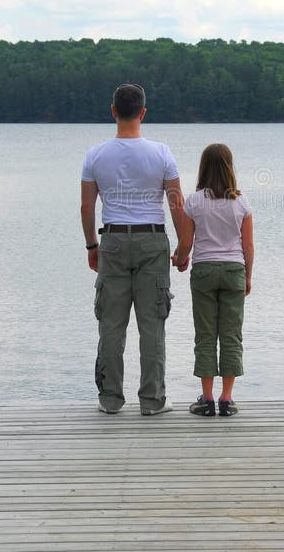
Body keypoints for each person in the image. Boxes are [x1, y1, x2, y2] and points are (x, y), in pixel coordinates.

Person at [81, 84, 184, 415]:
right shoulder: (162, 153)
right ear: (142, 113)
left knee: (111, 324)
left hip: (111, 239)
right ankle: (152, 401)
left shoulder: (95, 155)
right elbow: (176, 203)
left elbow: (86, 207)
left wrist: (91, 245)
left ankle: (110, 399)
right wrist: (185, 246)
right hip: (152, 240)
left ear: (113, 111)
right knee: (152, 325)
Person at [174, 143, 253, 417]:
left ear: (203, 168)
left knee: (205, 334)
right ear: (230, 167)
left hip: (205, 270)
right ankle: (227, 399)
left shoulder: (194, 201)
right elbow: (248, 246)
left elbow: (186, 242)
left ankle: (206, 399)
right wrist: (249, 277)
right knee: (231, 334)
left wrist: (180, 260)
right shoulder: (241, 202)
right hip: (234, 270)